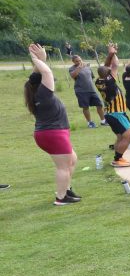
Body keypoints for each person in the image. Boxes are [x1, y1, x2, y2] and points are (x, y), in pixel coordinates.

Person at [25, 44, 79, 205]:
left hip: (49, 134)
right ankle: (61, 198)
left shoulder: (33, 91)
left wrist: (40, 60)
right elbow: (46, 72)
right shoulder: (44, 93)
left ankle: (66, 189)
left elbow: (37, 76)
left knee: (72, 159)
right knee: (62, 167)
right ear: (43, 82)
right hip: (54, 134)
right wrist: (37, 59)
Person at [95, 45, 130, 168]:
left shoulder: (99, 81)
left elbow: (106, 67)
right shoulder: (110, 81)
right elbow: (114, 65)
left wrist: (111, 54)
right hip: (117, 113)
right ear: (109, 74)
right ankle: (118, 159)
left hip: (110, 113)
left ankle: (118, 157)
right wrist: (111, 54)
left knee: (120, 137)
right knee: (127, 136)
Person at [69, 53, 104, 127]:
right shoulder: (72, 68)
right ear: (73, 62)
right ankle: (90, 123)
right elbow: (73, 76)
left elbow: (91, 77)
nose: (79, 62)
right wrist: (79, 67)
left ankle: (103, 121)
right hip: (81, 91)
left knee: (99, 104)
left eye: (80, 60)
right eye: (77, 61)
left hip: (91, 89)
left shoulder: (87, 67)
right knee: (85, 107)